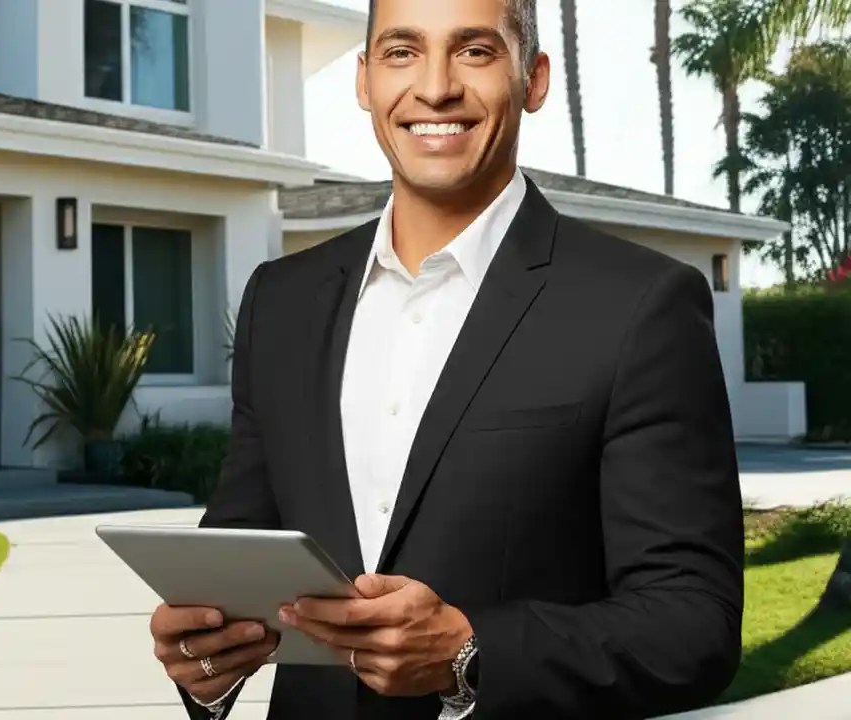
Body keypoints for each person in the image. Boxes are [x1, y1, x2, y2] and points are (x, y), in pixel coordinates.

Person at [148, 0, 745, 717]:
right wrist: (206, 662)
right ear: (365, 79)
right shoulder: (282, 301)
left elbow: (693, 625)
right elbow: (238, 559)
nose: (434, 88)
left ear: (533, 79)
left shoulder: (639, 305)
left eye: (474, 51)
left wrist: (470, 655)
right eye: (402, 52)